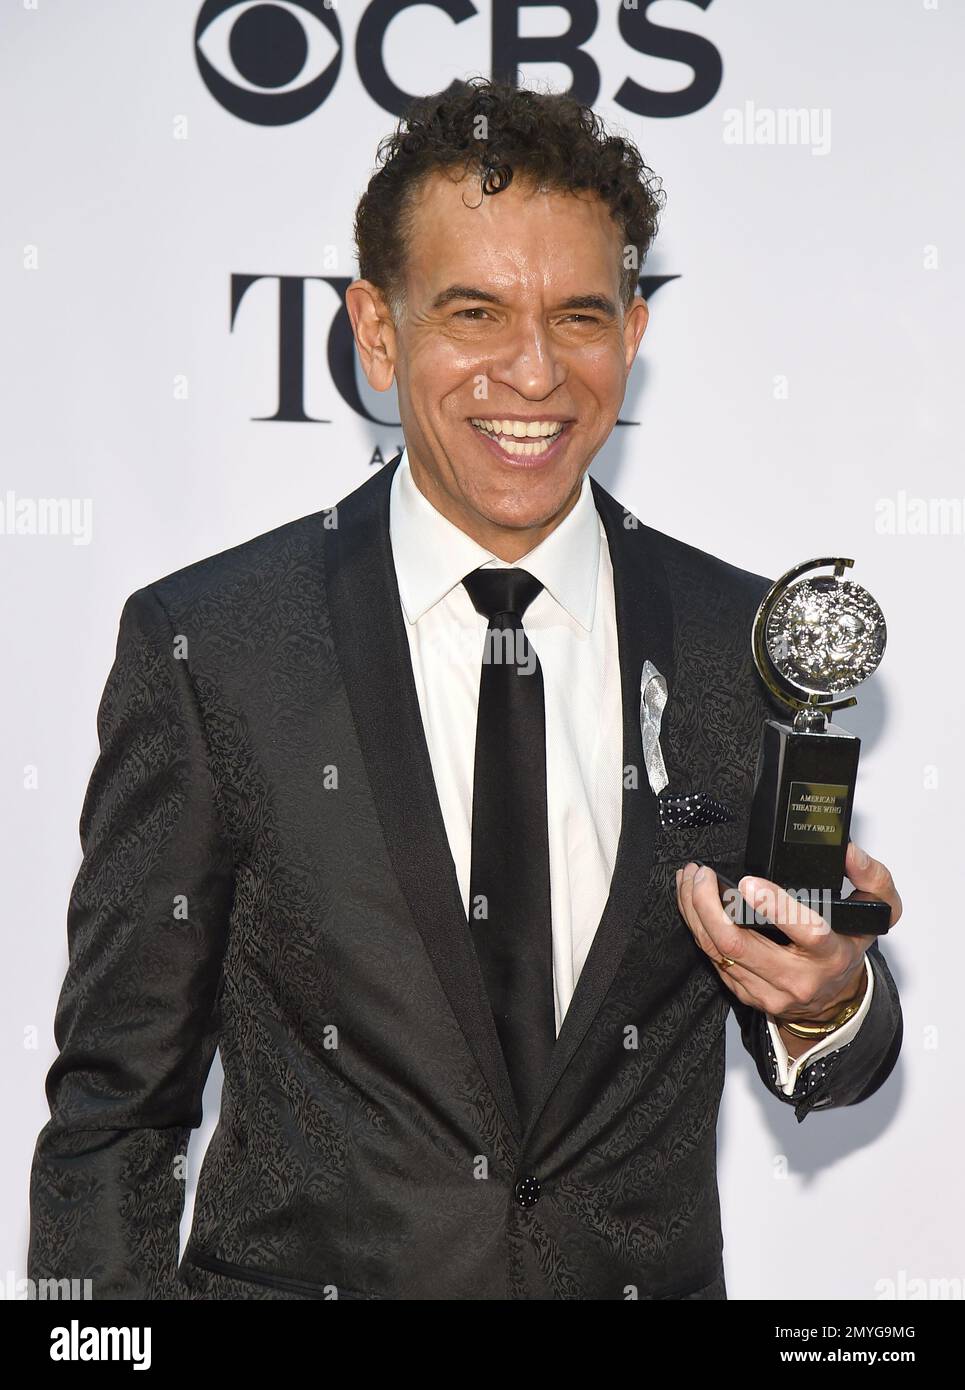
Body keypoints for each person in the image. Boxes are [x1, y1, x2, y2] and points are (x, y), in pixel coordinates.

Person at [27, 77, 902, 1302]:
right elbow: (118, 1104)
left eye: (579, 317)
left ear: (633, 335)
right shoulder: (212, 644)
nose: (532, 372)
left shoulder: (737, 642)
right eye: (475, 311)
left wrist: (829, 999)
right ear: (376, 334)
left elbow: (826, 1037)